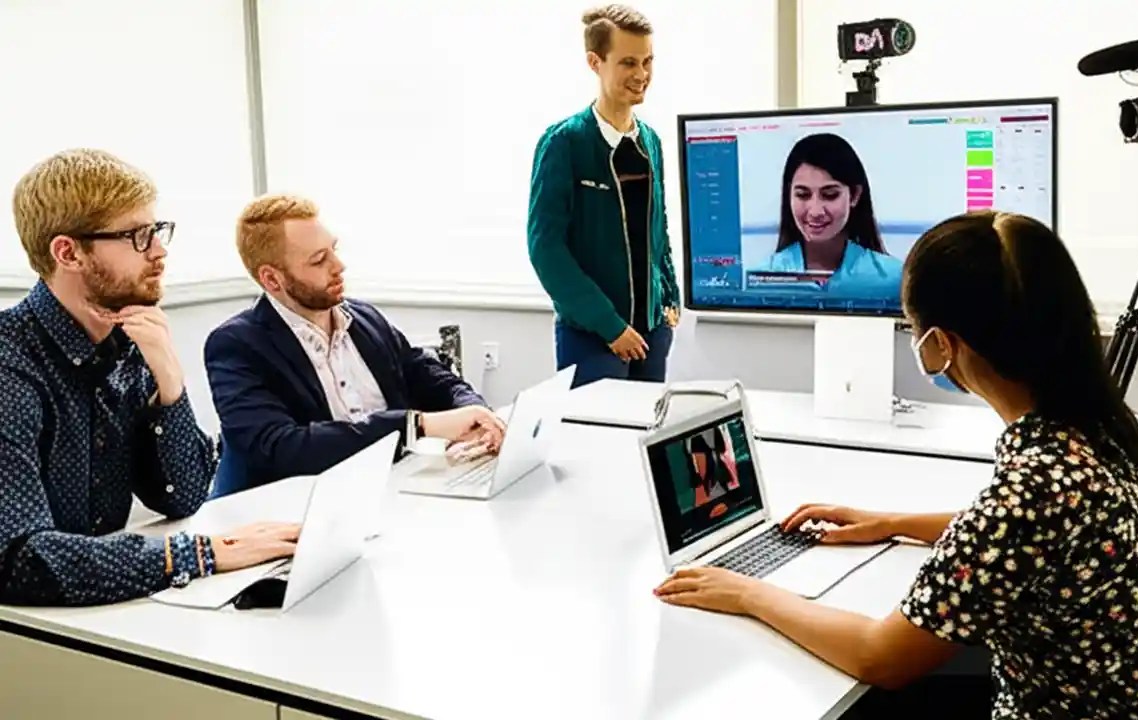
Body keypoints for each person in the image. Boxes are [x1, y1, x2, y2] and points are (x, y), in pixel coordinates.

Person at [655, 211, 1138, 719]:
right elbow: (1036, 540)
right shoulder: (1101, 429)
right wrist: (892, 522)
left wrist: (750, 594)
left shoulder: (1034, 489)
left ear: (942, 345)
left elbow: (881, 657)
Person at [0, 149, 299, 606]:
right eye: (137, 236)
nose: (159, 251)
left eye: (156, 231)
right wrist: (202, 553)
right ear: (68, 252)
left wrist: (170, 381)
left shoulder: (127, 339)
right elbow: (21, 559)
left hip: (97, 617)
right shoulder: (10, 366)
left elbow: (183, 496)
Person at [205, 194, 504, 497]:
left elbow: (432, 377)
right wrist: (416, 425)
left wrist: (474, 411)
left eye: (333, 250)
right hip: (289, 511)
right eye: (319, 260)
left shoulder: (364, 318)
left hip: (385, 492)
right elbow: (283, 448)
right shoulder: (235, 345)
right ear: (271, 279)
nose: (339, 266)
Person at [527, 4, 680, 389]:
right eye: (628, 62)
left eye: (648, 61)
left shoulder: (651, 142)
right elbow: (546, 250)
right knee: (595, 446)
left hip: (652, 335)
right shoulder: (564, 143)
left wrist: (669, 295)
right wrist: (611, 327)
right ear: (595, 62)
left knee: (645, 443)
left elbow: (657, 227)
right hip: (592, 338)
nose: (642, 75)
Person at [761, 133, 902, 306]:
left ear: (854, 196)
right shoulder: (761, 277)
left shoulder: (894, 279)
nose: (815, 211)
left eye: (830, 195)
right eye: (803, 195)